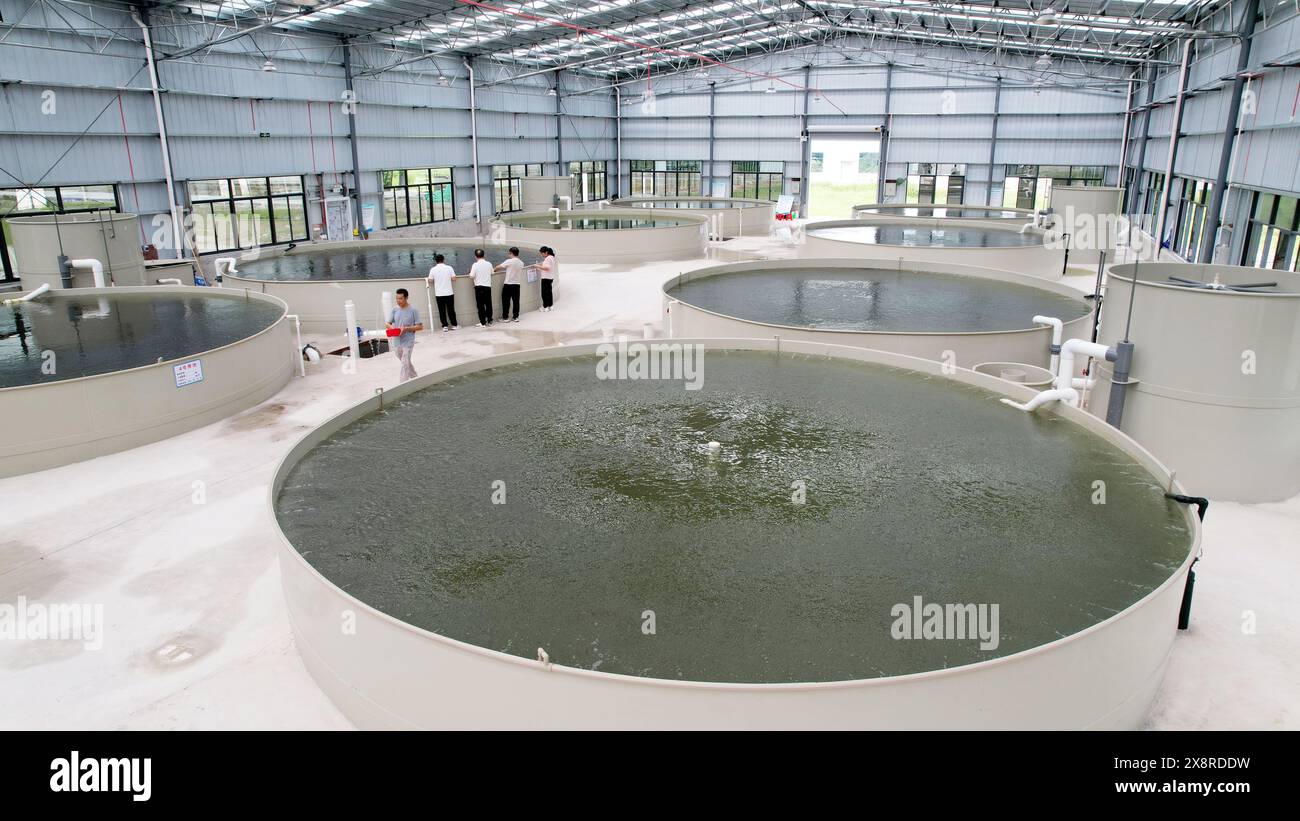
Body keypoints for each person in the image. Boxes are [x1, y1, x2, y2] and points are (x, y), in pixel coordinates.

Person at [386, 288, 423, 383]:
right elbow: (387, 323)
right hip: (397, 340)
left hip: (408, 341)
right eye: (397, 298)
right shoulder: (394, 310)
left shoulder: (413, 310)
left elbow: (420, 326)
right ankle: (415, 378)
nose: (398, 301)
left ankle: (402, 385)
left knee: (404, 363)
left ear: (406, 298)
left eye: (400, 298)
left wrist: (406, 329)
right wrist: (393, 329)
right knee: (405, 362)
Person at [426, 253, 458, 332]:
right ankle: (454, 325)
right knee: (451, 310)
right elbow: (454, 279)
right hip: (449, 292)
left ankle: (445, 326)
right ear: (443, 260)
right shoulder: (449, 268)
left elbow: (430, 280)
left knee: (441, 311)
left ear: (435, 261)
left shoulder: (433, 269)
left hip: (439, 294)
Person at [495, 246, 525, 322]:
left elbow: (499, 267)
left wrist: (493, 270)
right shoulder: (521, 263)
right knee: (516, 302)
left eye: (509, 253)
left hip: (508, 284)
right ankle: (516, 317)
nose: (508, 254)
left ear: (511, 253)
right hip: (517, 284)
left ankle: (505, 317)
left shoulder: (509, 261)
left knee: (506, 302)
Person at [469, 247, 495, 327]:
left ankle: (483, 322)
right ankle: (490, 321)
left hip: (479, 287)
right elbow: (492, 273)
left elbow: (472, 276)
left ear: (475, 256)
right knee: (488, 304)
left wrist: (470, 272)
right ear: (484, 255)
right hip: (487, 286)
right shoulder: (489, 263)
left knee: (480, 306)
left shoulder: (475, 265)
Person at [538, 246, 558, 312]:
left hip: (545, 278)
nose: (541, 255)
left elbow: (547, 268)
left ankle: (545, 307)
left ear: (546, 252)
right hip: (550, 277)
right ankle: (550, 306)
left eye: (542, 253)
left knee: (544, 293)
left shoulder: (547, 258)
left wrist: (537, 266)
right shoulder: (552, 257)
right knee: (549, 292)